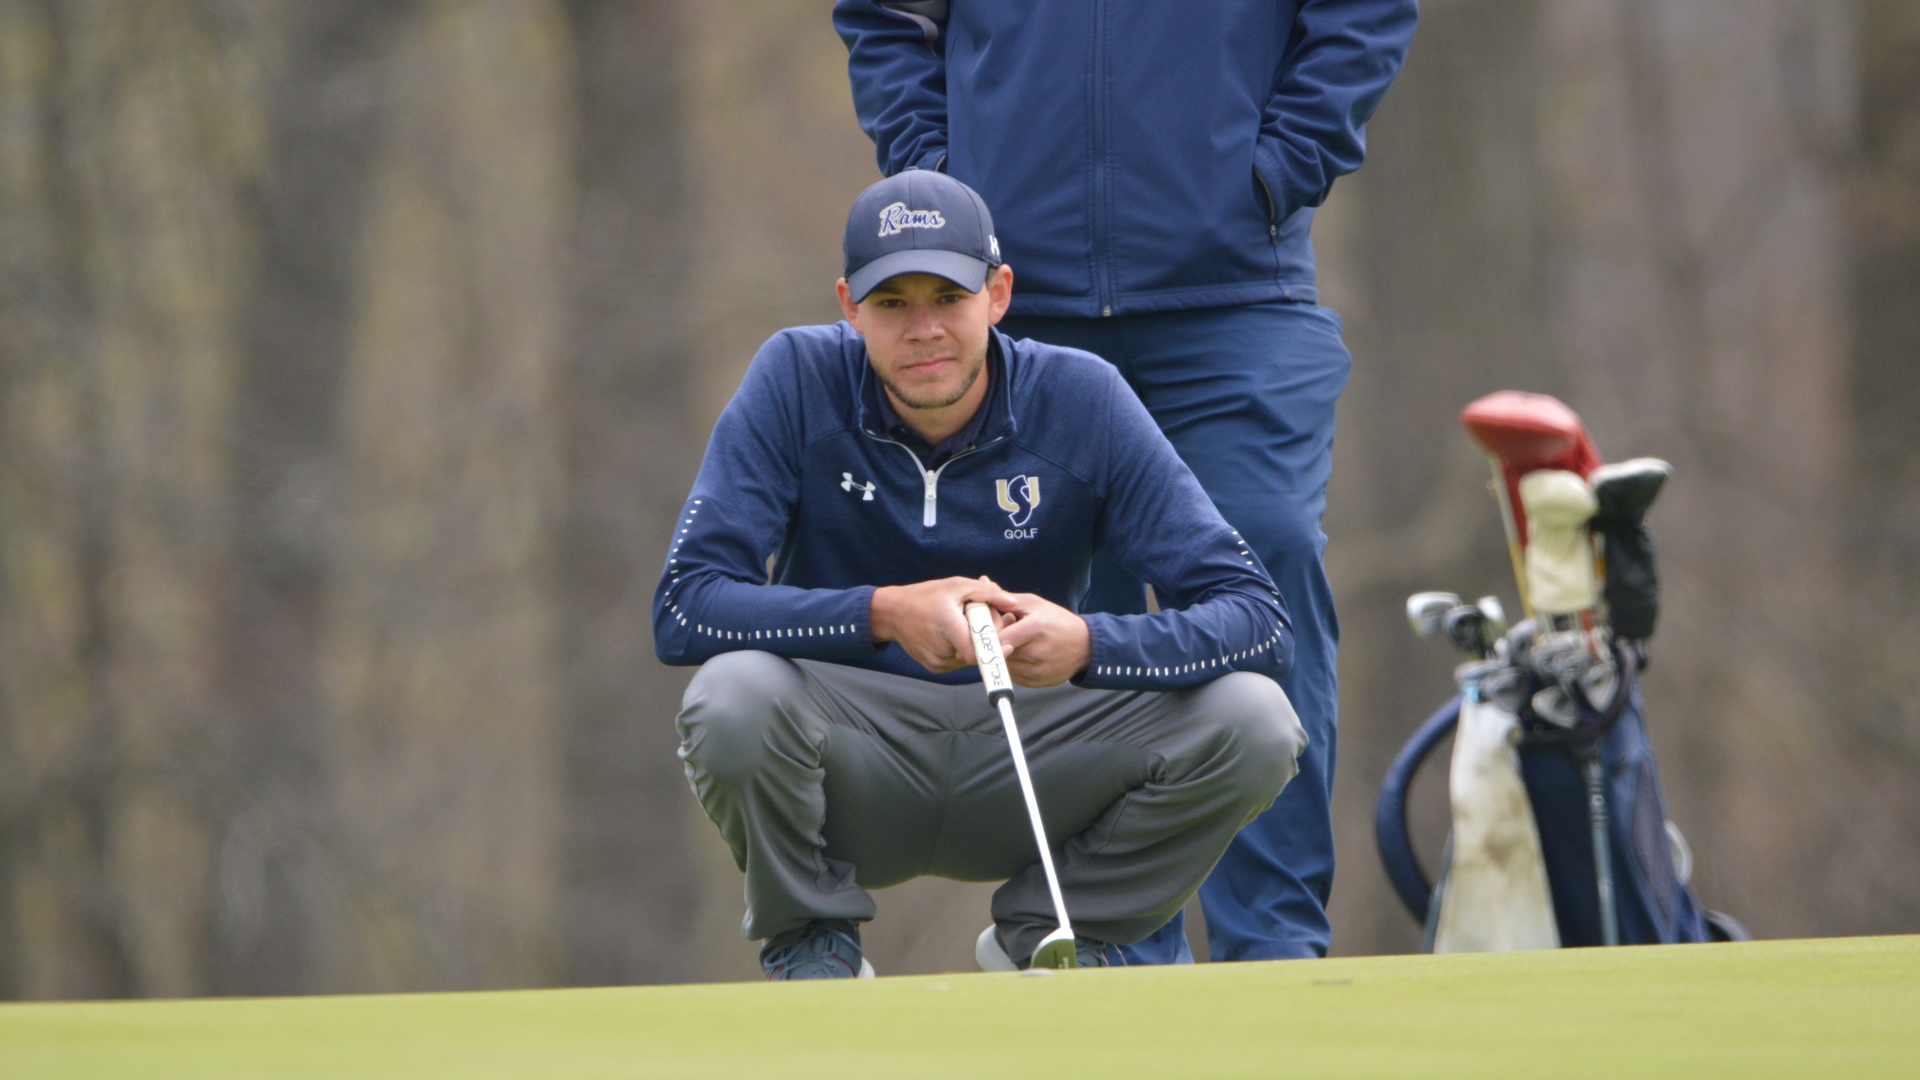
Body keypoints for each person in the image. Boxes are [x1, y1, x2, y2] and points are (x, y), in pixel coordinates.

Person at [835, 0, 1419, 962]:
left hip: (1233, 294)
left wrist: (1280, 168)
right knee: (1054, 604)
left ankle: (1271, 943)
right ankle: (1114, 943)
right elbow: (882, 15)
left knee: (1262, 556)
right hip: (1023, 307)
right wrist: (940, 171)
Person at [655, 171, 1306, 979]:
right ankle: (811, 941)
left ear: (998, 295)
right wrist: (884, 613)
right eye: (892, 303)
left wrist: (1087, 644)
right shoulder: (795, 379)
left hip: (1038, 747)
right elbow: (685, 606)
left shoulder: (1080, 397)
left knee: (1257, 720)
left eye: (948, 297)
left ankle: (1055, 931)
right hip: (852, 754)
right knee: (731, 697)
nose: (923, 329)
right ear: (849, 306)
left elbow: (1261, 620)